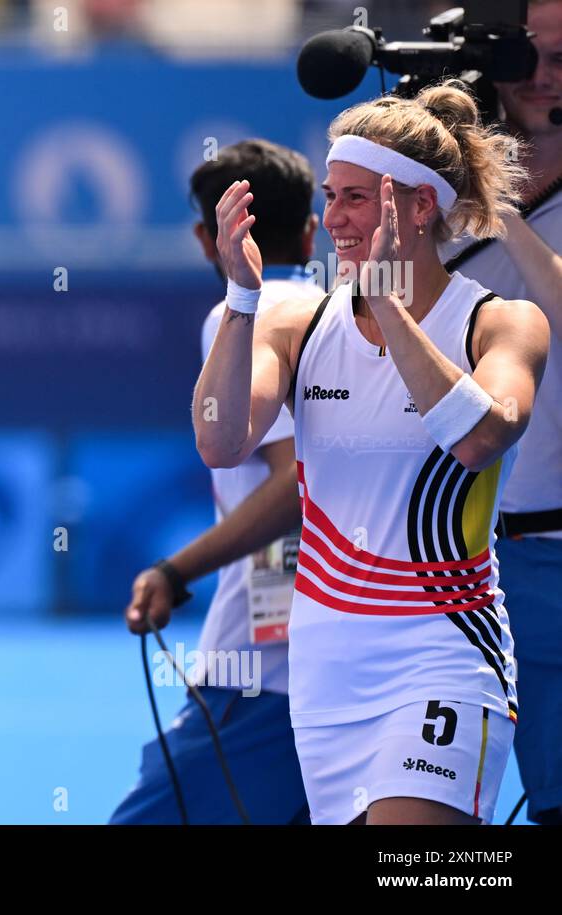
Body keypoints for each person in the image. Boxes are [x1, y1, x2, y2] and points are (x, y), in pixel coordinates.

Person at [196, 79, 550, 825]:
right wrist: (240, 297)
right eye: (331, 196)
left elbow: (483, 435)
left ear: (421, 207)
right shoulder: (298, 325)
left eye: (358, 197)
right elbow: (222, 440)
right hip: (326, 671)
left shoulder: (503, 322)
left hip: (444, 653)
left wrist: (385, 298)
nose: (334, 219)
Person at [111, 140, 318, 825]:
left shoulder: (245, 314)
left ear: (210, 239)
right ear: (313, 229)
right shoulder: (344, 313)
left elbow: (297, 484)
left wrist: (175, 568)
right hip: (333, 661)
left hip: (267, 670)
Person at [441, 0, 562, 825]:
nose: (547, 76)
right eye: (527, 56)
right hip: (481, 553)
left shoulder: (490, 213)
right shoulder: (431, 198)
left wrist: (505, 212)